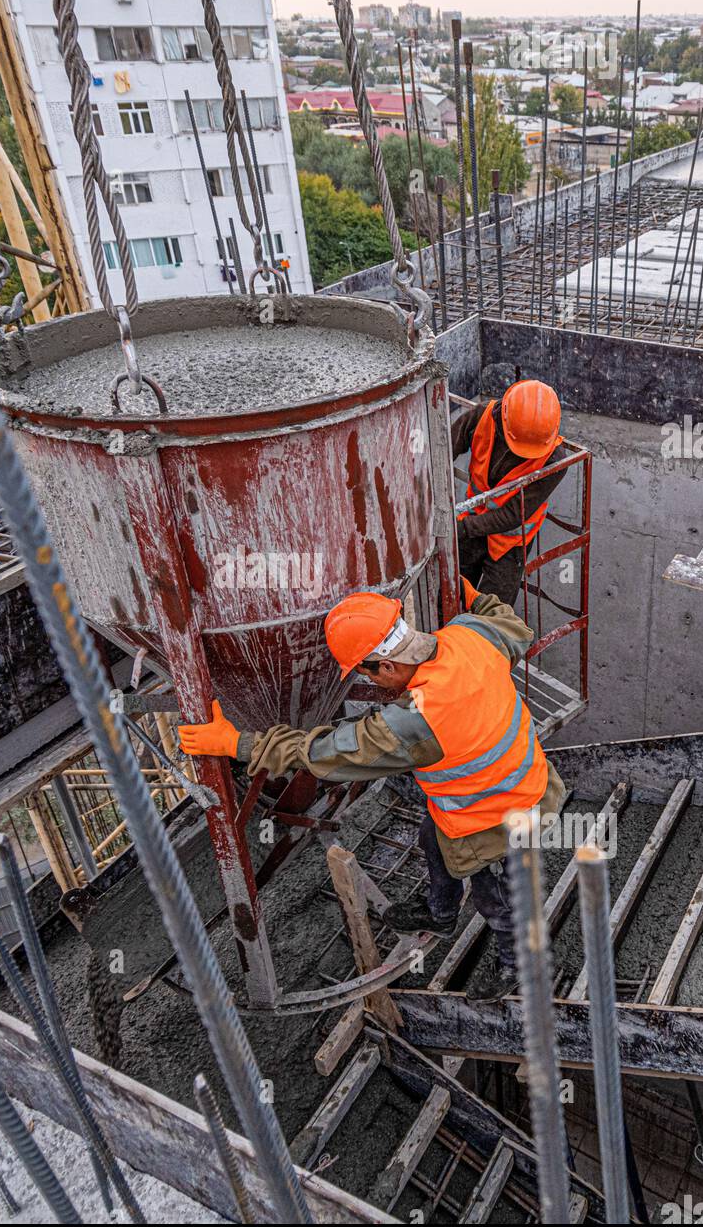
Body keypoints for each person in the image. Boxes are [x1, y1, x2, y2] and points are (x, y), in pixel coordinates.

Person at [177, 578, 566, 1000]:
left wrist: (238, 745)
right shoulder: (471, 635)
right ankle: (440, 913)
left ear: (385, 666)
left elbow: (328, 752)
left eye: (364, 672)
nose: (371, 684)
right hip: (513, 784)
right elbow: (506, 621)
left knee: (501, 900)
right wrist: (472, 592)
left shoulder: (416, 720)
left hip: (499, 819)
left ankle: (520, 969)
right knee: (431, 837)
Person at [453, 378, 569, 608]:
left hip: (510, 543)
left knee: (494, 614)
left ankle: (481, 641)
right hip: (472, 523)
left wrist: (462, 528)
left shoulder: (554, 460)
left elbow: (514, 514)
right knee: (453, 592)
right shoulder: (482, 418)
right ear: (503, 420)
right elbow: (442, 448)